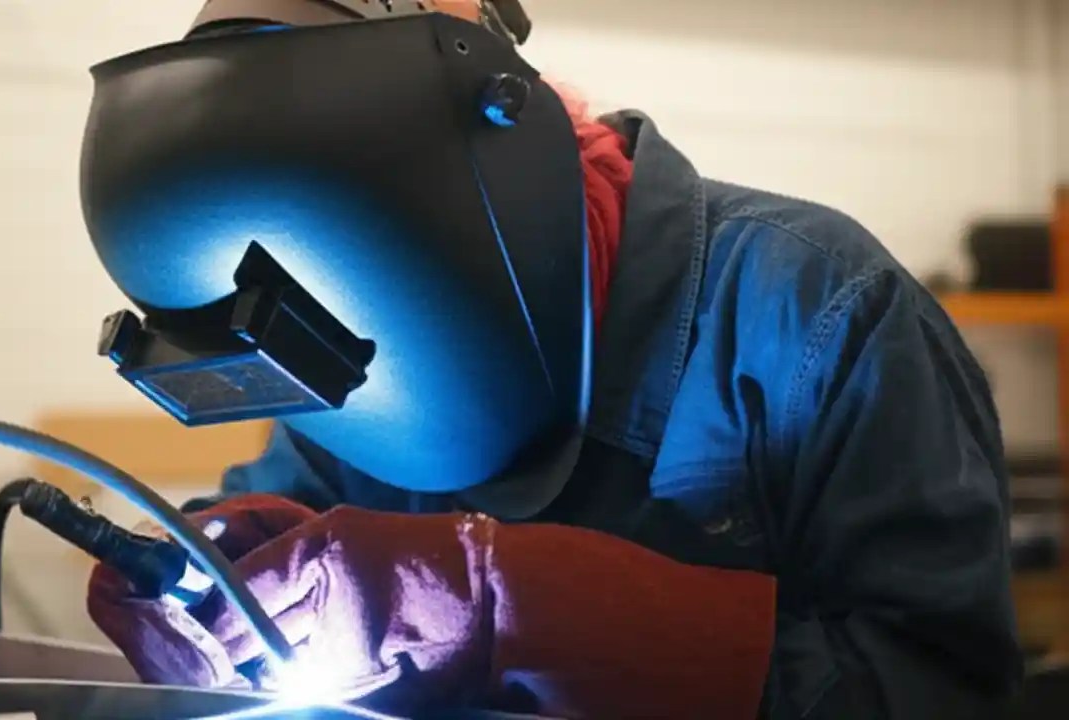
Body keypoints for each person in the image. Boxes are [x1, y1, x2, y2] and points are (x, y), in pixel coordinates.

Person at [82, 1, 1022, 717]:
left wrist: (517, 609)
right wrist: (208, 574)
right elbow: (282, 520)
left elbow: (944, 689)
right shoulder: (340, 334)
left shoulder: (816, 312)